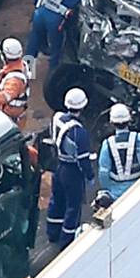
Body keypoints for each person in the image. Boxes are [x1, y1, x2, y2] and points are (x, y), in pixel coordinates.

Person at [46, 88, 95, 249]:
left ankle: (52, 232)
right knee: (73, 207)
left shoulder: (57, 117)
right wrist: (89, 176)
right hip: (72, 172)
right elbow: (83, 160)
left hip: (58, 166)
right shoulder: (79, 132)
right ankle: (66, 241)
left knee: (56, 200)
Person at [98, 103, 140, 201]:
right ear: (129, 120)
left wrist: (108, 189)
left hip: (115, 193)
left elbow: (104, 172)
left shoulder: (107, 144)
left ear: (112, 122)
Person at [0, 38, 29, 125]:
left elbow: (5, 97)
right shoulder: (20, 65)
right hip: (10, 115)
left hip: (10, 118)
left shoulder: (15, 79)